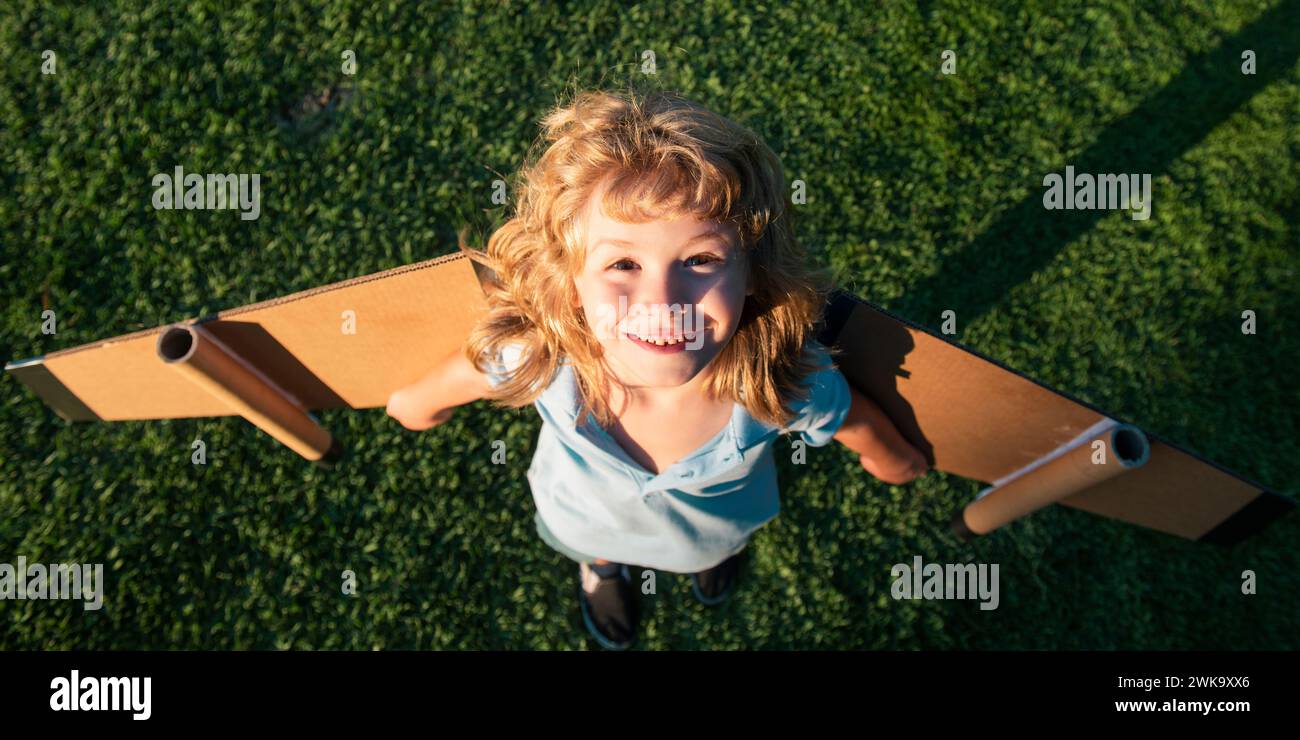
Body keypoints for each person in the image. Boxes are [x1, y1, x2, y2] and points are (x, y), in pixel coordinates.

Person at [386, 85, 928, 650]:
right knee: (595, 545)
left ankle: (705, 559)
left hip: (714, 532)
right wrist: (418, 402)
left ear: (752, 274)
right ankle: (603, 570)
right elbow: (467, 373)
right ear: (570, 281)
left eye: (700, 260)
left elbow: (849, 417)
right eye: (623, 262)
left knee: (710, 548)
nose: (662, 301)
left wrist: (888, 455)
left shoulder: (779, 377)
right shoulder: (546, 355)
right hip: (586, 522)